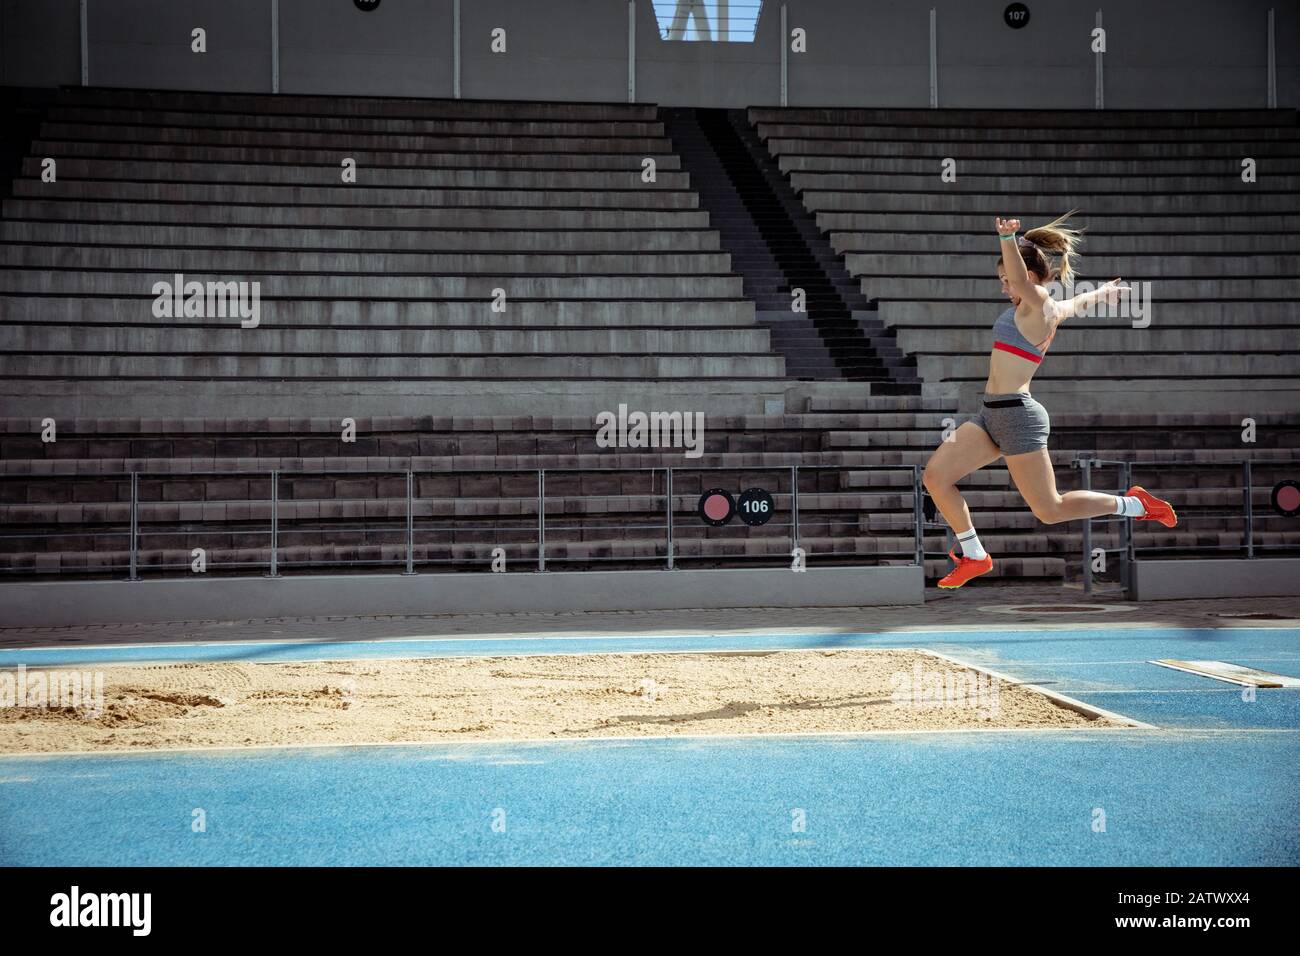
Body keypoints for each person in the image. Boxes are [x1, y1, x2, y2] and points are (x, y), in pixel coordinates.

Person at [921, 213, 1177, 589]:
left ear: (1033, 277)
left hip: (1018, 418)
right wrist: (1102, 294)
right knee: (936, 477)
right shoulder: (1046, 307)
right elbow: (1074, 305)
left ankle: (1136, 505)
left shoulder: (1037, 301)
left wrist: (1007, 240)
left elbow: (1025, 282)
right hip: (991, 414)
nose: (1005, 286)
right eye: (1001, 281)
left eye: (1007, 279)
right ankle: (975, 555)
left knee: (1050, 509)